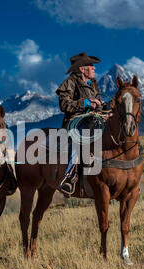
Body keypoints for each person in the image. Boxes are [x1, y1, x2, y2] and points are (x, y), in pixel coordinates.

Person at [55, 52, 103, 196]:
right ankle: (69, 177)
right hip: (75, 122)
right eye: (91, 66)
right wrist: (87, 103)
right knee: (80, 139)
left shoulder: (94, 84)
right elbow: (64, 105)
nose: (94, 69)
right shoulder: (70, 82)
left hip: (93, 120)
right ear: (82, 69)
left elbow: (98, 103)